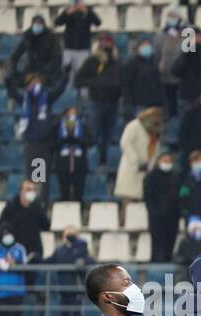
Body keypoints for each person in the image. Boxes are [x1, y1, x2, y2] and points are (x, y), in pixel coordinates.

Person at [18, 72, 69, 202]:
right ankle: (30, 204)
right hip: (31, 145)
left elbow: (59, 90)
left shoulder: (46, 99)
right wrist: (8, 82)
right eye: (32, 83)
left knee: (39, 178)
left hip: (43, 146)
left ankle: (39, 204)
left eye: (37, 83)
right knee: (31, 178)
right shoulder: (25, 100)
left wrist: (65, 75)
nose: (35, 86)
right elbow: (12, 92)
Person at [74, 35, 121, 169]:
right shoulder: (92, 61)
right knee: (94, 134)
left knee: (109, 135)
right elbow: (79, 80)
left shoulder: (117, 62)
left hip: (113, 102)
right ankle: (92, 163)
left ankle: (105, 162)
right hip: (96, 102)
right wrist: (95, 83)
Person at [115, 107, 164, 204]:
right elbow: (125, 143)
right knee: (129, 198)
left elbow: (156, 150)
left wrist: (150, 165)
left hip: (146, 168)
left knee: (142, 198)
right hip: (131, 166)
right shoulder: (134, 125)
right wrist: (136, 161)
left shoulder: (156, 130)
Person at [45, 226, 93, 316]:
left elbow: (89, 260)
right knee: (63, 314)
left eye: (72, 234)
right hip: (63, 284)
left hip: (76, 285)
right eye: (68, 234)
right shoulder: (59, 249)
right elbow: (52, 260)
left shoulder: (82, 247)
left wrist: (82, 261)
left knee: (77, 314)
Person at [7, 15, 63, 97]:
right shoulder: (28, 36)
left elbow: (57, 58)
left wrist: (44, 71)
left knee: (43, 84)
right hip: (31, 67)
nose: (37, 26)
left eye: (39, 24)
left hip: (48, 69)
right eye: (35, 24)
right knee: (15, 81)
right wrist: (13, 68)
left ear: (43, 25)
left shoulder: (51, 37)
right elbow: (15, 55)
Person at [0, 182, 49, 265]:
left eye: (33, 190)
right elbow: (0, 228)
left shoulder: (37, 206)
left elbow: (46, 226)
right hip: (15, 252)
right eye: (28, 189)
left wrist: (37, 207)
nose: (31, 192)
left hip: (33, 252)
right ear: (20, 191)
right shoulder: (11, 207)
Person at [51, 105, 92, 203]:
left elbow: (90, 141)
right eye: (69, 114)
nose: (72, 116)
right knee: (64, 192)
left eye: (74, 114)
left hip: (79, 164)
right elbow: (52, 143)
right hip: (62, 164)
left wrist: (78, 141)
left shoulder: (83, 126)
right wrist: (64, 140)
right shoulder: (57, 126)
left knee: (78, 193)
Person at [56, 3, 102, 88]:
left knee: (83, 73)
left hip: (83, 49)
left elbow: (98, 22)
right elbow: (58, 22)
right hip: (69, 49)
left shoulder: (87, 10)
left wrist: (87, 12)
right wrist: (67, 13)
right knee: (68, 74)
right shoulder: (68, 10)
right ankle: (68, 94)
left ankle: (83, 95)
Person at [173, 28, 201, 107]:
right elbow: (176, 70)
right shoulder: (185, 53)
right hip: (187, 94)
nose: (196, 39)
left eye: (198, 36)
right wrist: (188, 53)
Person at [121, 36, 162, 118]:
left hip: (153, 102)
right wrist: (129, 102)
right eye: (144, 45)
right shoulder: (132, 64)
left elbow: (158, 83)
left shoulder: (153, 64)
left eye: (148, 45)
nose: (146, 47)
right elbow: (126, 84)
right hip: (138, 102)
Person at [0, 233, 29, 316]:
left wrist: (14, 263)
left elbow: (25, 266)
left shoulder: (20, 248)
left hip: (16, 291)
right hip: (0, 292)